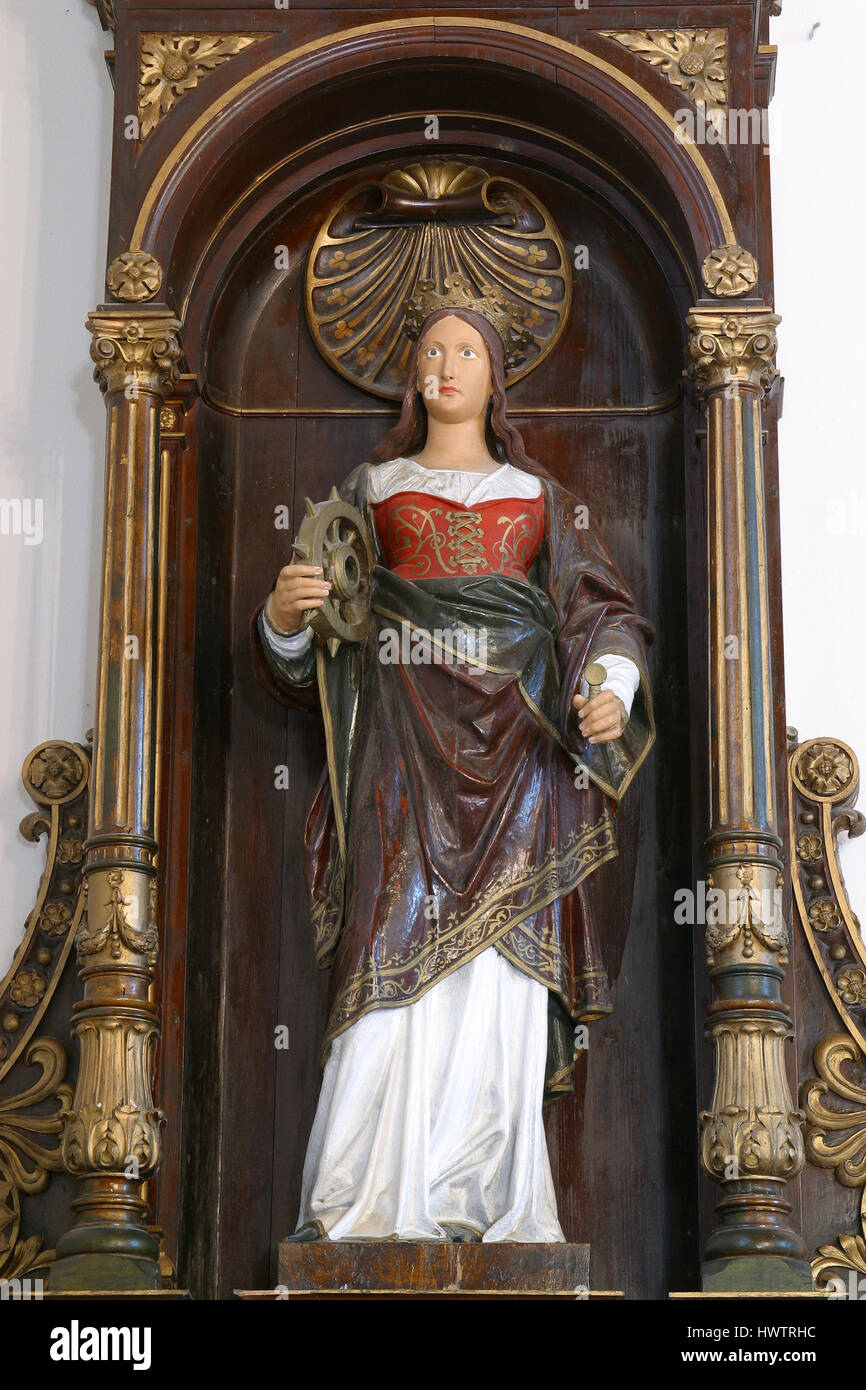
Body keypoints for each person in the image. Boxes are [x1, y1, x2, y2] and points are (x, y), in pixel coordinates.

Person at [249, 278, 655, 1242]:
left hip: (521, 757)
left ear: (495, 373)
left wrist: (610, 689)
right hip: (398, 751)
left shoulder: (542, 500)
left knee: (505, 978)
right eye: (429, 351)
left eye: (464, 350)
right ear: (410, 376)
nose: (443, 367)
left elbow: (600, 613)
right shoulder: (370, 492)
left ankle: (493, 1201)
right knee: (384, 950)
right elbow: (315, 640)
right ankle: (365, 1203)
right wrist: (284, 619)